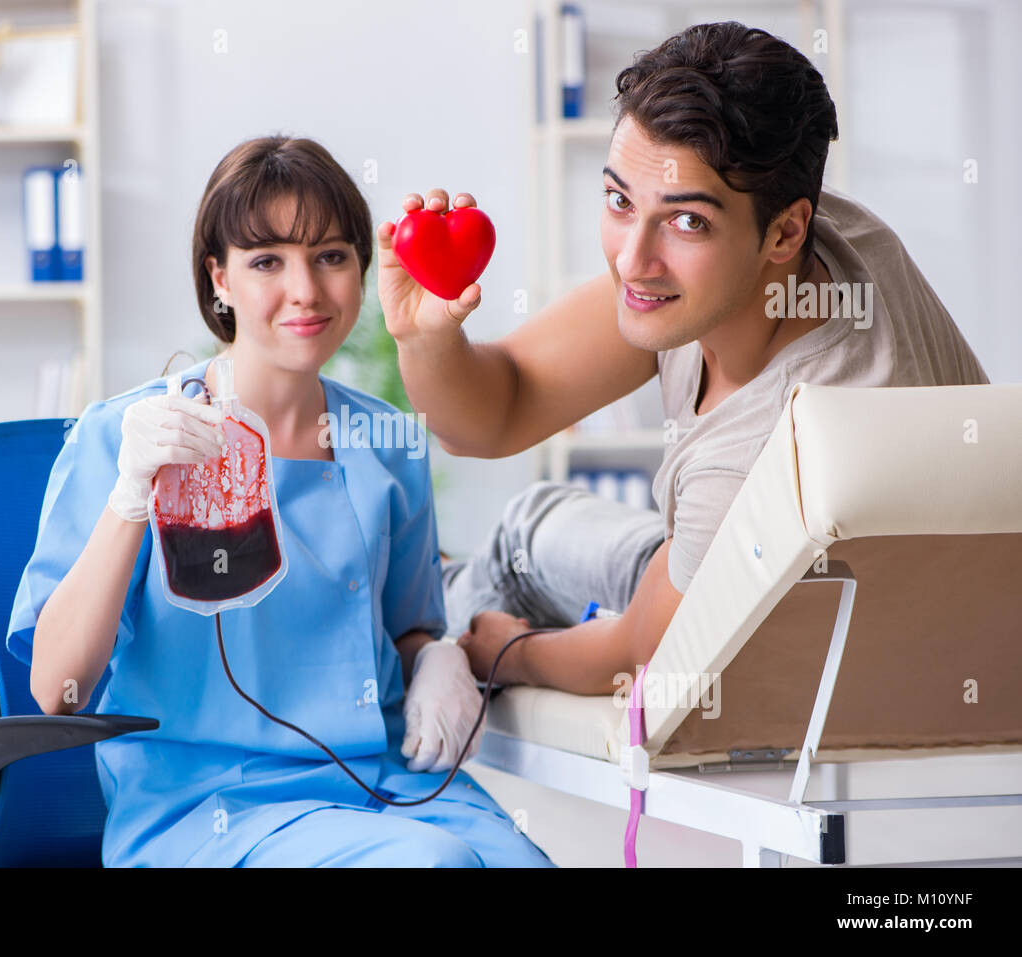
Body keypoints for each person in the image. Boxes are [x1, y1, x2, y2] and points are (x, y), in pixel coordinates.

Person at [377, 22, 989, 695]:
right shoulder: (809, 234)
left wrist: (509, 650)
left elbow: (638, 649)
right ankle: (438, 594)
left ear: (785, 230)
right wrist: (425, 335)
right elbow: (497, 411)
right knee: (530, 524)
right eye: (620, 200)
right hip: (747, 578)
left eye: (686, 221)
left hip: (819, 666)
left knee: (488, 586)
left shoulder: (776, 446)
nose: (631, 260)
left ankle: (419, 619)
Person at [5, 135, 555, 868]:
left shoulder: (387, 439)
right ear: (219, 278)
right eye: (267, 261)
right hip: (214, 805)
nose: (306, 289)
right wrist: (132, 495)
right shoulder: (129, 436)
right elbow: (57, 688)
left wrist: (439, 657)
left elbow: (407, 631)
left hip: (386, 782)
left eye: (330, 255)